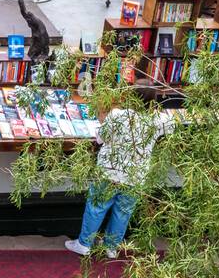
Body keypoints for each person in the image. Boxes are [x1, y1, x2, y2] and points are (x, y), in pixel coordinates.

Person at [65, 97, 179, 258]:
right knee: (123, 212)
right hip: (136, 174)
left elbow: (101, 138)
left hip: (110, 170)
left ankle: (84, 244)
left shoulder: (118, 115)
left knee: (97, 207)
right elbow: (173, 127)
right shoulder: (159, 120)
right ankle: (110, 247)